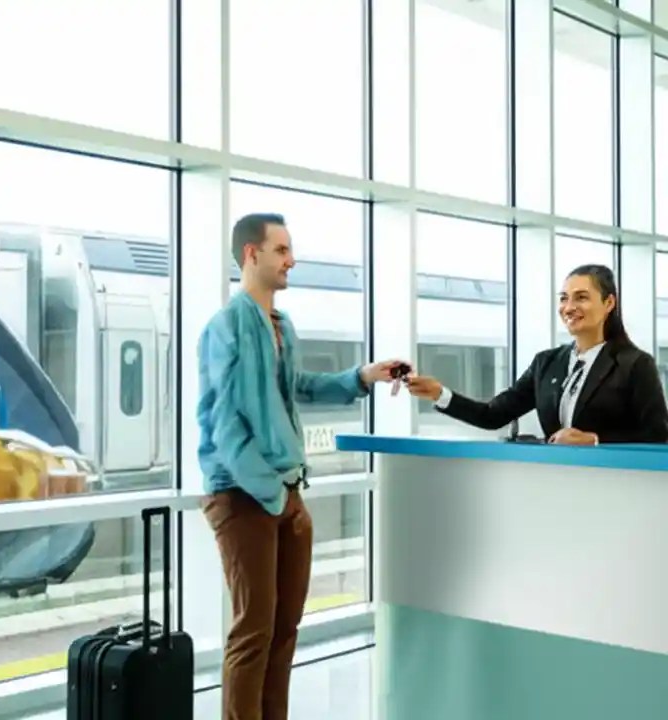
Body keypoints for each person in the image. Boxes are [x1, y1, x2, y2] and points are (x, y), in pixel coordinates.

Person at [196, 213, 408, 720]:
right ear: (252, 254)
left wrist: (362, 376)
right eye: (282, 250)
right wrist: (270, 491)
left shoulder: (281, 326)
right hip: (243, 495)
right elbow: (226, 425)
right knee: (253, 632)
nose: (292, 260)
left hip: (286, 495)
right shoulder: (226, 327)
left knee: (284, 630)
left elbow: (300, 388)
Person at [406, 263, 668, 444]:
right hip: (553, 484)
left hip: (617, 486)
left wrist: (595, 440)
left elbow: (658, 435)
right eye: (564, 298)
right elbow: (492, 415)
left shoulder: (635, 364)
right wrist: (440, 394)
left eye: (581, 298)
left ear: (609, 303)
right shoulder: (547, 363)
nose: (569, 307)